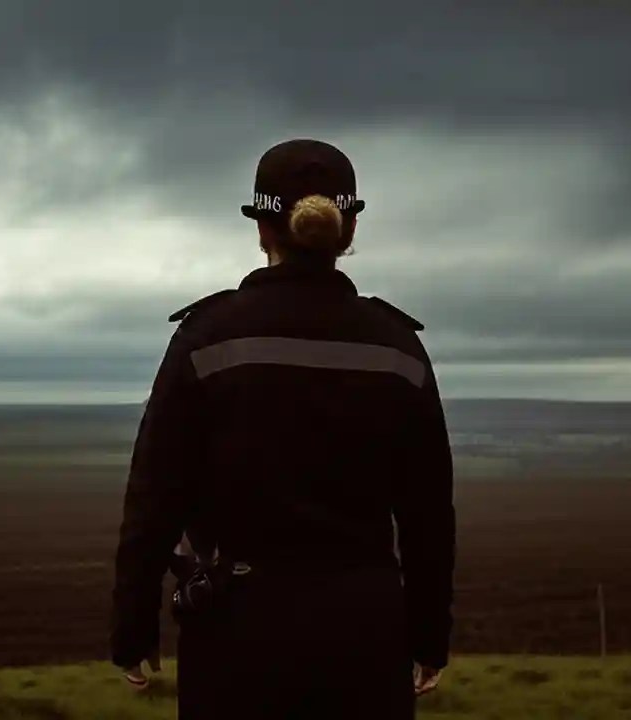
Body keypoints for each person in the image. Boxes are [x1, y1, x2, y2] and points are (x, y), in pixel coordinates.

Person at [109, 138, 455, 719]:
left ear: (262, 229)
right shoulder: (398, 344)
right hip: (366, 637)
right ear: (347, 232)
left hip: (237, 634)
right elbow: (427, 515)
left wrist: (132, 626)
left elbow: (154, 493)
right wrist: (427, 637)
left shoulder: (208, 336)